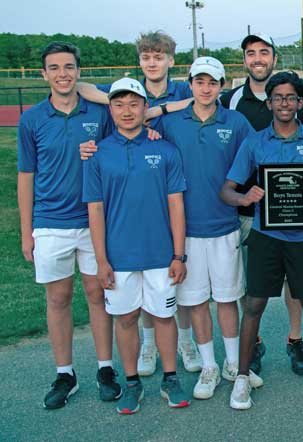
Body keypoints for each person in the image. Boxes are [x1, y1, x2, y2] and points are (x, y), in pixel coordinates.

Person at [77, 30, 199, 377]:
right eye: (146, 57)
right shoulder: (126, 91)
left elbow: (196, 103)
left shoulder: (181, 89)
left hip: (167, 175)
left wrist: (154, 114)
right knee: (136, 300)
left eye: (158, 57)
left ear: (170, 61)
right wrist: (136, 109)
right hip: (129, 173)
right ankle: (147, 346)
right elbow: (85, 89)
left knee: (171, 295)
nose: (152, 62)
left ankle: (184, 341)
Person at [222, 71, 303, 409]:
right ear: (269, 102)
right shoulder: (255, 142)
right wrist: (245, 198)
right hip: (265, 235)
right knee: (254, 305)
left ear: (300, 102)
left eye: (291, 98)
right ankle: (242, 376)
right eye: (278, 98)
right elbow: (227, 190)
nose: (284, 103)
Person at [17, 41, 119, 409]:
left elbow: (120, 145)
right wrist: (27, 230)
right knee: (58, 298)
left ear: (79, 71)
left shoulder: (98, 111)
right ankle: (65, 373)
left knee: (98, 295)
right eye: (55, 68)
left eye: (69, 67)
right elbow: (26, 175)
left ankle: (105, 368)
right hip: (50, 222)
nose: (63, 74)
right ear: (44, 74)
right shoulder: (32, 119)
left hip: (93, 220)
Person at [83, 77, 190, 414]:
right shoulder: (99, 154)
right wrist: (102, 260)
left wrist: (178, 254)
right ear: (110, 109)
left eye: (133, 104)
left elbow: (176, 205)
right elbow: (95, 210)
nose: (126, 111)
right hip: (119, 256)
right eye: (119, 104)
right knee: (126, 318)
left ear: (146, 108)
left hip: (160, 254)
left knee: (163, 316)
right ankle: (132, 383)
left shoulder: (165, 149)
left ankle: (170, 379)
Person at [157, 57, 259, 398]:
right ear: (190, 84)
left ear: (220, 85)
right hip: (186, 228)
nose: (206, 88)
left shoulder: (236, 121)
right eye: (199, 82)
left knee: (228, 298)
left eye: (212, 82)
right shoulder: (172, 124)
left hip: (225, 224)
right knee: (197, 301)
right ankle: (208, 366)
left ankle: (232, 362)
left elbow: (256, 156)